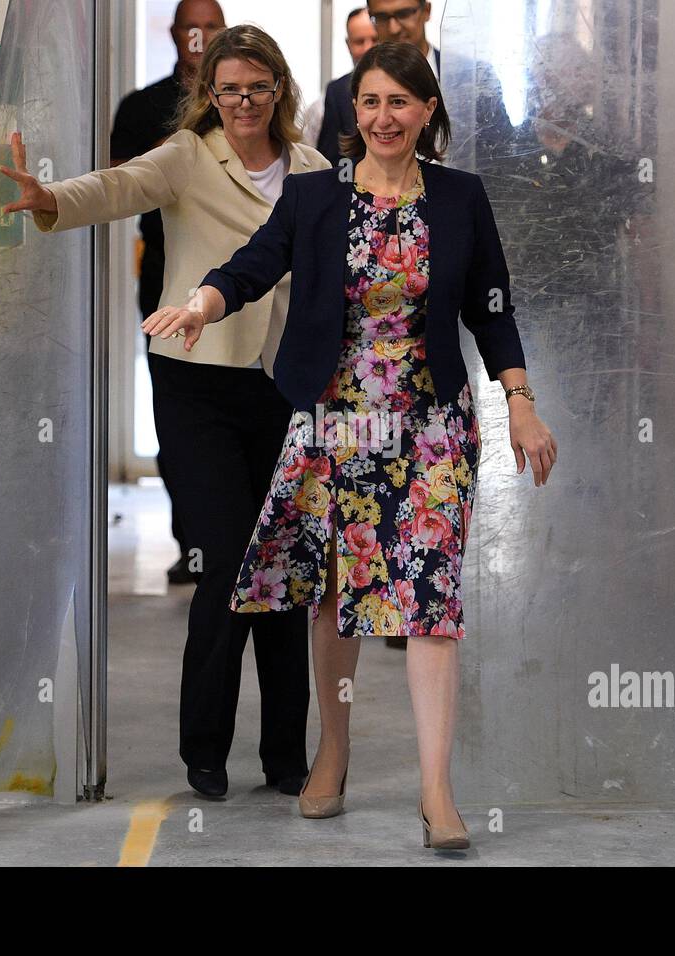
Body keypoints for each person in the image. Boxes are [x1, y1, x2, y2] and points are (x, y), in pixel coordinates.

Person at [143, 42, 557, 851]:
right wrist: (203, 302)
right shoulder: (315, 198)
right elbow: (254, 264)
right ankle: (332, 752)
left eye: (401, 102)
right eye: (370, 103)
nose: (384, 117)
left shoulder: (462, 199)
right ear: (351, 112)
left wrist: (520, 400)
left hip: (432, 424)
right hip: (333, 423)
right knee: (338, 596)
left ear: (428, 112)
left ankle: (437, 792)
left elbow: (492, 307)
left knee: (430, 601)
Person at [1, 25, 332, 800]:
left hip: (287, 390)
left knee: (284, 570)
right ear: (208, 94)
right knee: (226, 560)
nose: (242, 101)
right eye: (228, 89)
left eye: (256, 86)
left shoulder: (315, 169)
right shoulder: (190, 154)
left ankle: (286, 756)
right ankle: (205, 750)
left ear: (278, 88)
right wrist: (50, 198)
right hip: (198, 380)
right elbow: (120, 187)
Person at [110, 0, 226, 586]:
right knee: (177, 409)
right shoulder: (143, 108)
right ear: (176, 34)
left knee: (237, 407)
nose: (201, 38)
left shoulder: (244, 106)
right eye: (191, 27)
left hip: (241, 281)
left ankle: (238, 541)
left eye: (212, 27)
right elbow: (116, 184)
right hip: (164, 276)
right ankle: (194, 544)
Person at [316, 0, 513, 169]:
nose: (394, 27)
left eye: (404, 13)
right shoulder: (341, 91)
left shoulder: (473, 77)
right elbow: (334, 171)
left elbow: (503, 153)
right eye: (382, 17)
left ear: (426, 10)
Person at [301, 7, 376, 148]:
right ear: (348, 45)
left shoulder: (409, 83)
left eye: (375, 39)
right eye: (360, 42)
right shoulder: (333, 95)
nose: (368, 48)